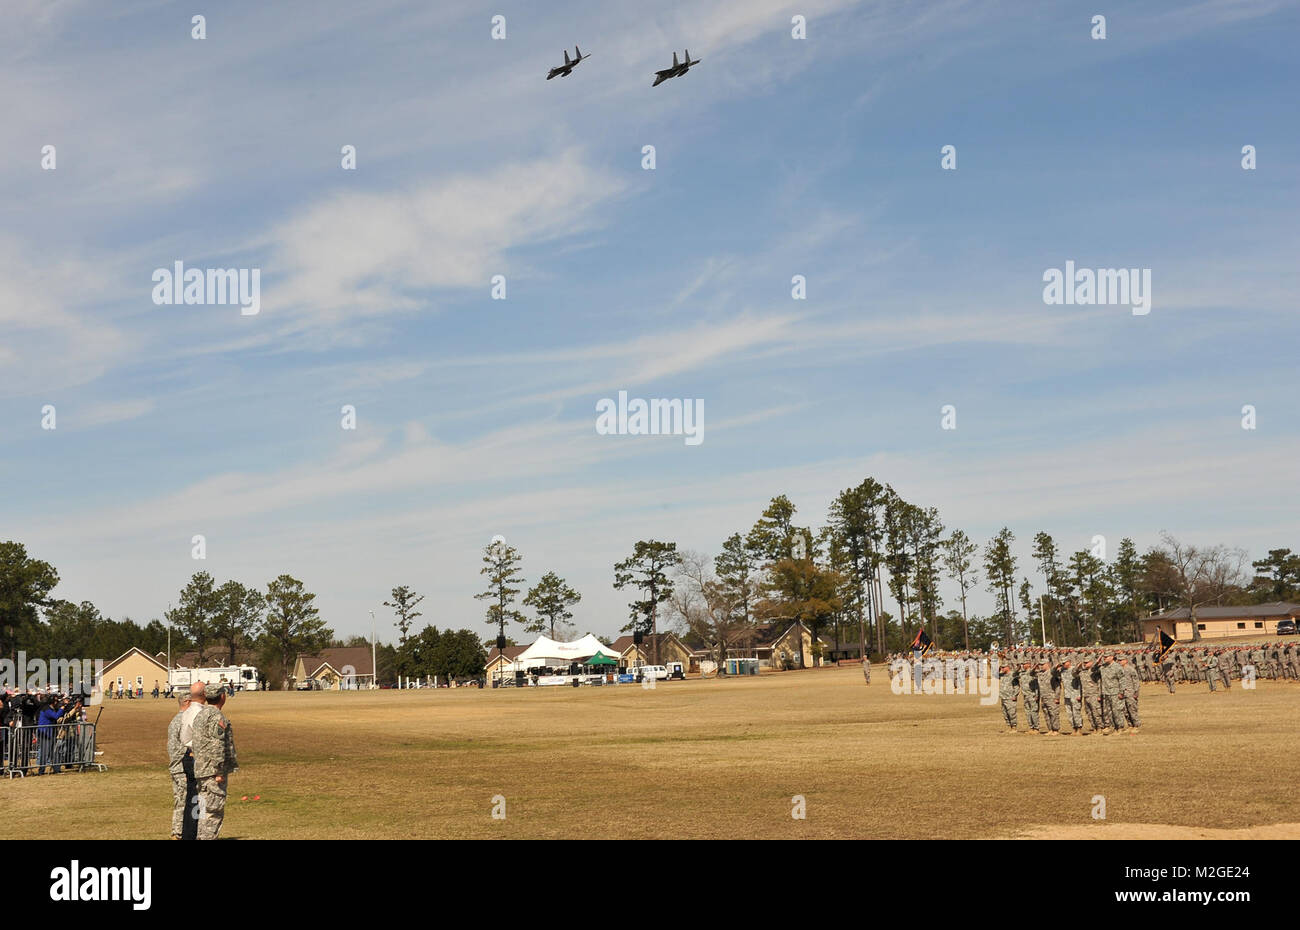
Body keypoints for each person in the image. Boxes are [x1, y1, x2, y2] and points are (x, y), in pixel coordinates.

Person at [191, 684, 238, 840]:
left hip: (200, 770)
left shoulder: (200, 715)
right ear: (222, 697)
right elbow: (217, 745)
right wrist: (218, 771)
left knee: (202, 811)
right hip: (212, 772)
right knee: (213, 812)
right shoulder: (217, 717)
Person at [166, 691, 198, 840]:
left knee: (188, 800)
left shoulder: (177, 719)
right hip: (181, 767)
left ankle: (190, 831)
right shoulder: (181, 720)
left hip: (180, 766)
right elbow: (176, 748)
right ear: (186, 702)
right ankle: (178, 833)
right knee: (183, 800)